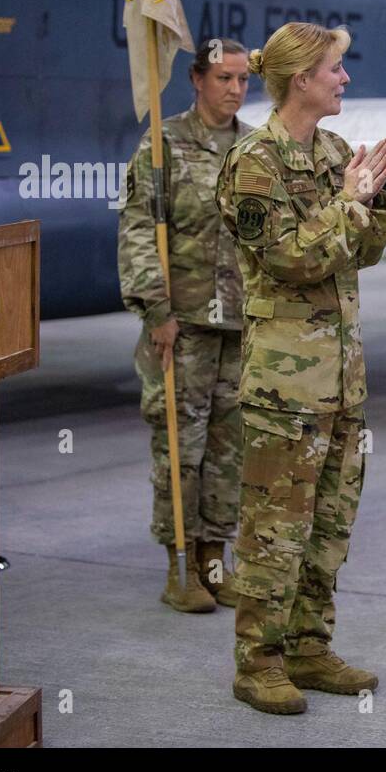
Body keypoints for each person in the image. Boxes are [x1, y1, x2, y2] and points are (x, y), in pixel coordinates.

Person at [216, 22, 386, 715]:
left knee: (328, 529)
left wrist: (373, 198)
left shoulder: (329, 151)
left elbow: (361, 252)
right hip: (286, 387)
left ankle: (308, 647)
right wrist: (349, 201)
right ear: (301, 80)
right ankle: (257, 663)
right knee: (274, 534)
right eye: (334, 69)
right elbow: (290, 257)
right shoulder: (254, 162)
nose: (344, 79)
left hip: (342, 380)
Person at [118, 37, 252, 613]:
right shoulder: (163, 145)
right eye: (224, 78)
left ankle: (214, 563)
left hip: (241, 324)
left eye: (244, 79)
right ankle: (180, 570)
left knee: (230, 449)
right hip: (185, 324)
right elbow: (140, 230)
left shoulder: (255, 148)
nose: (235, 89)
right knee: (181, 448)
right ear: (196, 79)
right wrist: (156, 310)